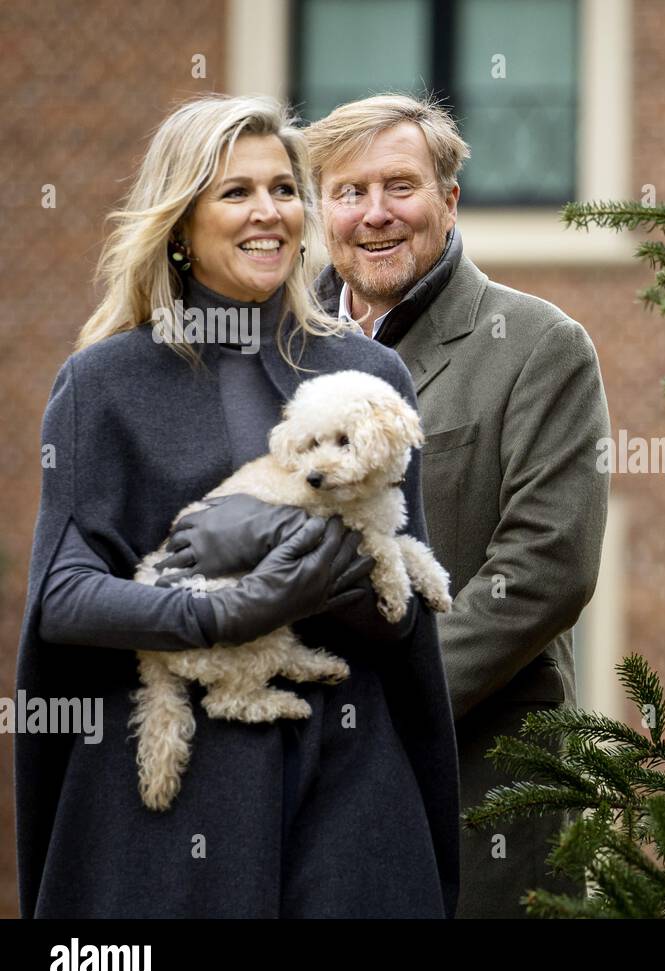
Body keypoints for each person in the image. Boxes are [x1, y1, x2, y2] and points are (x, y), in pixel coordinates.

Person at [15, 94, 460, 918]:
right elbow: (64, 600)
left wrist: (314, 568)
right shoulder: (104, 384)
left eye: (285, 190)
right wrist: (232, 610)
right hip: (167, 810)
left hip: (348, 784)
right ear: (181, 224)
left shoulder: (364, 376)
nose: (270, 213)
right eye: (237, 193)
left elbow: (403, 625)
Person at [303, 93, 611, 917]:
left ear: (449, 198)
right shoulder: (272, 349)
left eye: (399, 187)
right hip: (296, 789)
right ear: (320, 209)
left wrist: (379, 703)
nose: (375, 215)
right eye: (349, 191)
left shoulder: (541, 346)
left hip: (478, 786)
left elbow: (548, 567)